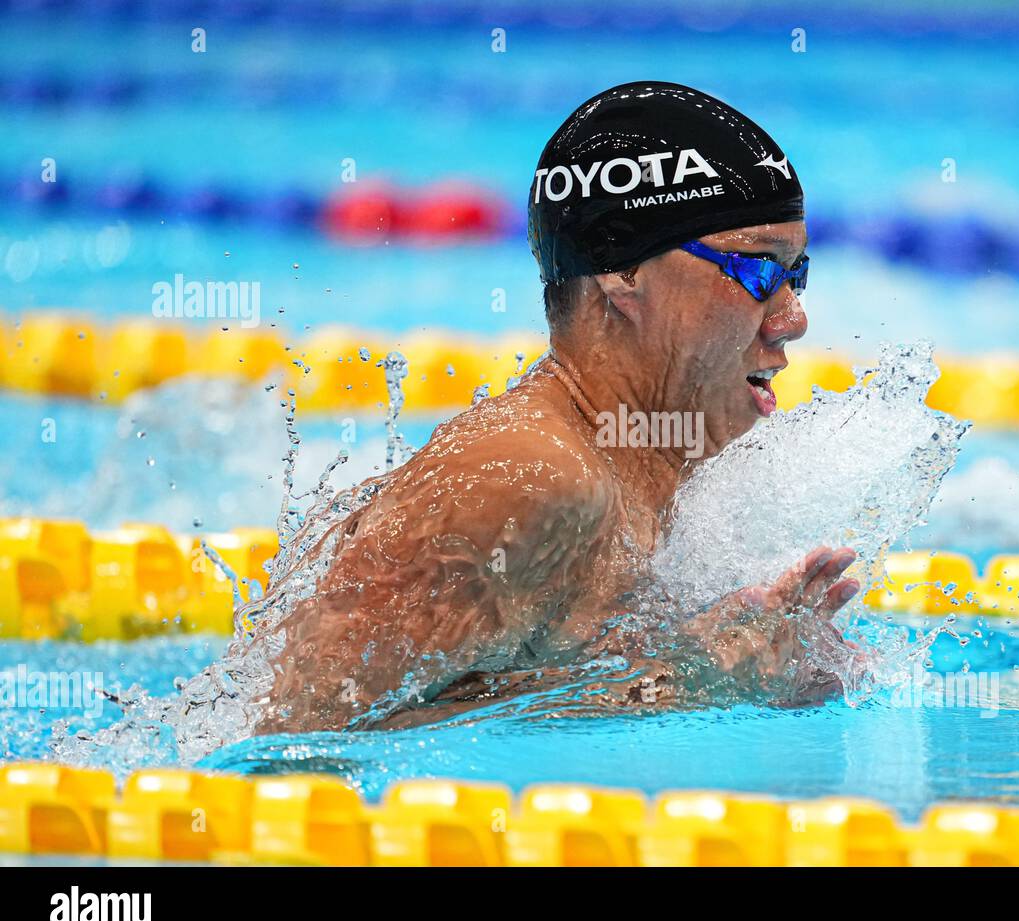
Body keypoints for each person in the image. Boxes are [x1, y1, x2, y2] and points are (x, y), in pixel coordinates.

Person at [258, 81, 860, 734]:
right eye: (756, 271)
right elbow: (303, 737)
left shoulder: (654, 456)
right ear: (620, 272)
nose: (793, 319)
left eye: (794, 274)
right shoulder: (524, 478)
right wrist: (684, 682)